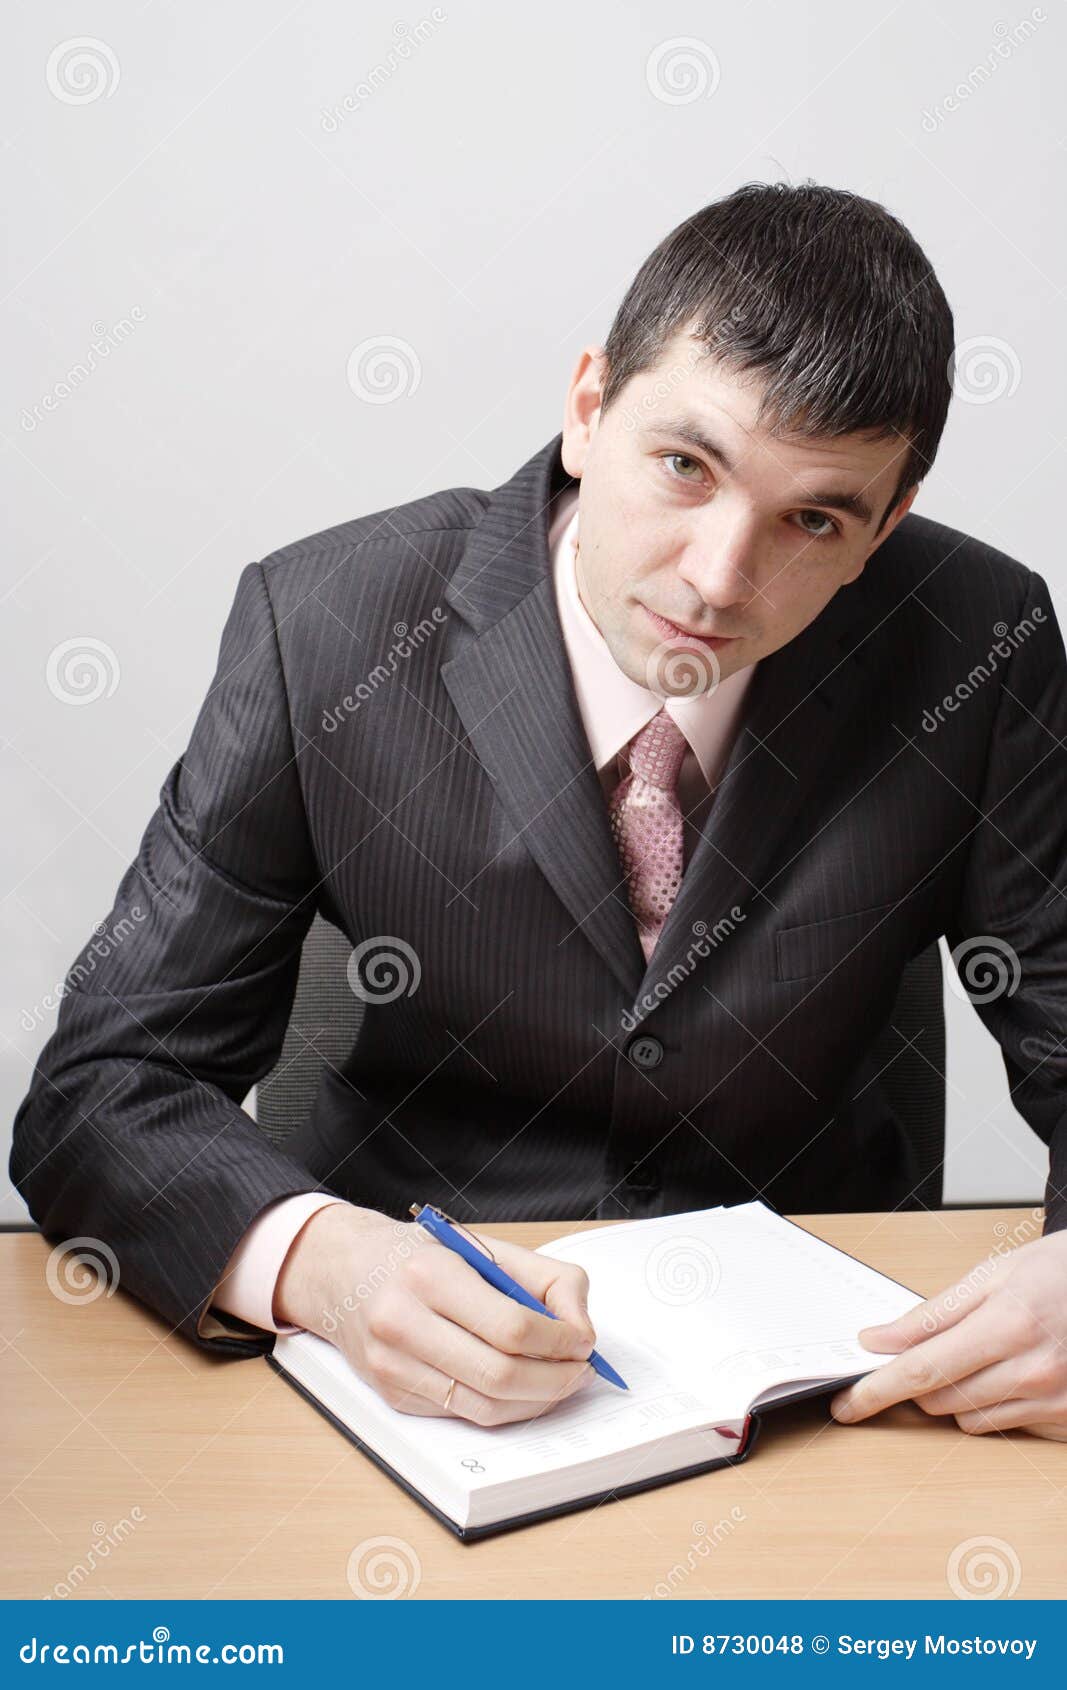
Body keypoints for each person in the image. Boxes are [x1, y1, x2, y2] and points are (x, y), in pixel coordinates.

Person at [13, 183, 1067, 1441]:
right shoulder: (331, 627)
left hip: (825, 1393)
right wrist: (327, 1269)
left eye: (812, 520)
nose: (718, 578)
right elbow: (103, 1084)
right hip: (406, 1375)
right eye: (685, 464)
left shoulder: (978, 644)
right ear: (586, 407)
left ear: (882, 527)